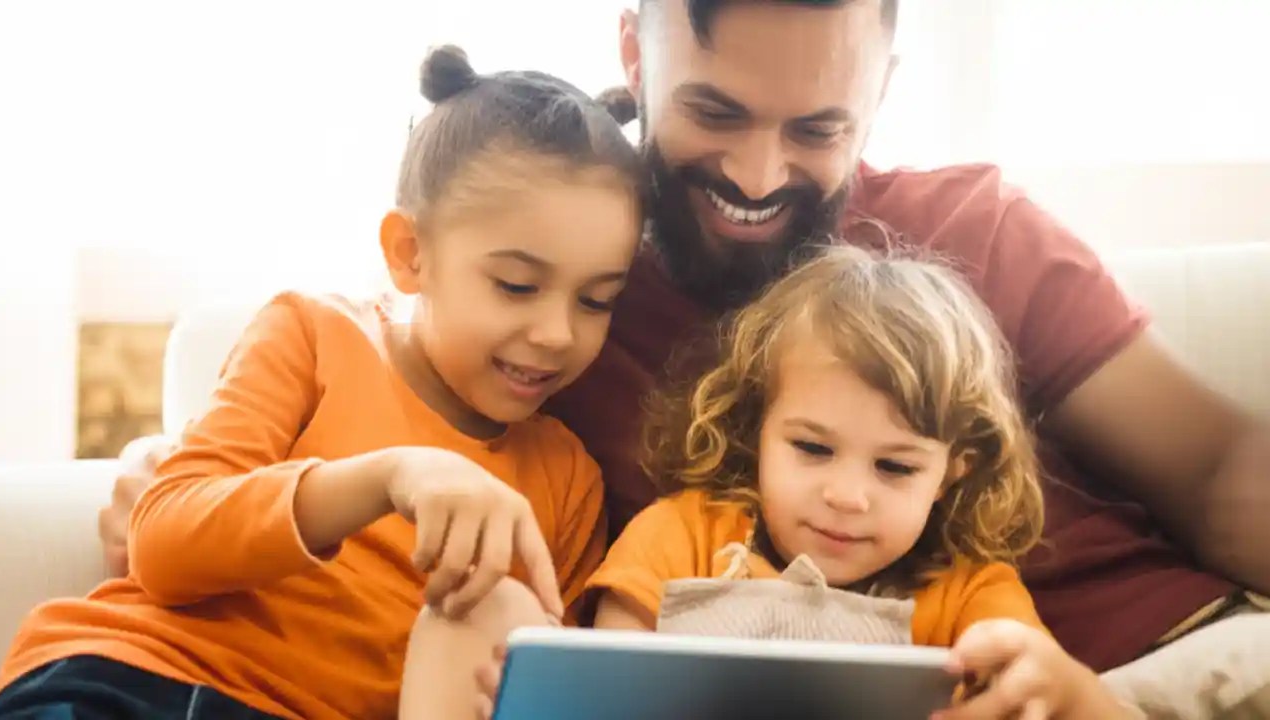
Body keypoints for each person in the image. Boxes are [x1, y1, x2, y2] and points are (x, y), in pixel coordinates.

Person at [102, 0, 1270, 678]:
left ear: (881, 86)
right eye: (714, 111)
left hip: (1170, 662)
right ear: (635, 52)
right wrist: (178, 469)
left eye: (817, 127)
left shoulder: (976, 226)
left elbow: (1219, 469)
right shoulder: (568, 309)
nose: (759, 176)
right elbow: (392, 368)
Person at [0, 47, 641, 720]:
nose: (558, 333)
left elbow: (540, 683)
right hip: (144, 681)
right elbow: (160, 543)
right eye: (516, 285)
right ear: (410, 254)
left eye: (596, 301)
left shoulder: (567, 480)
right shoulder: (313, 335)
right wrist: (391, 475)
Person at [478, 246, 1135, 719]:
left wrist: (1070, 691)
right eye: (813, 448)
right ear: (757, 425)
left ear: (951, 471)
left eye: (895, 467)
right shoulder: (680, 535)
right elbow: (609, 687)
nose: (847, 496)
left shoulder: (970, 593)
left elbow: (1042, 692)